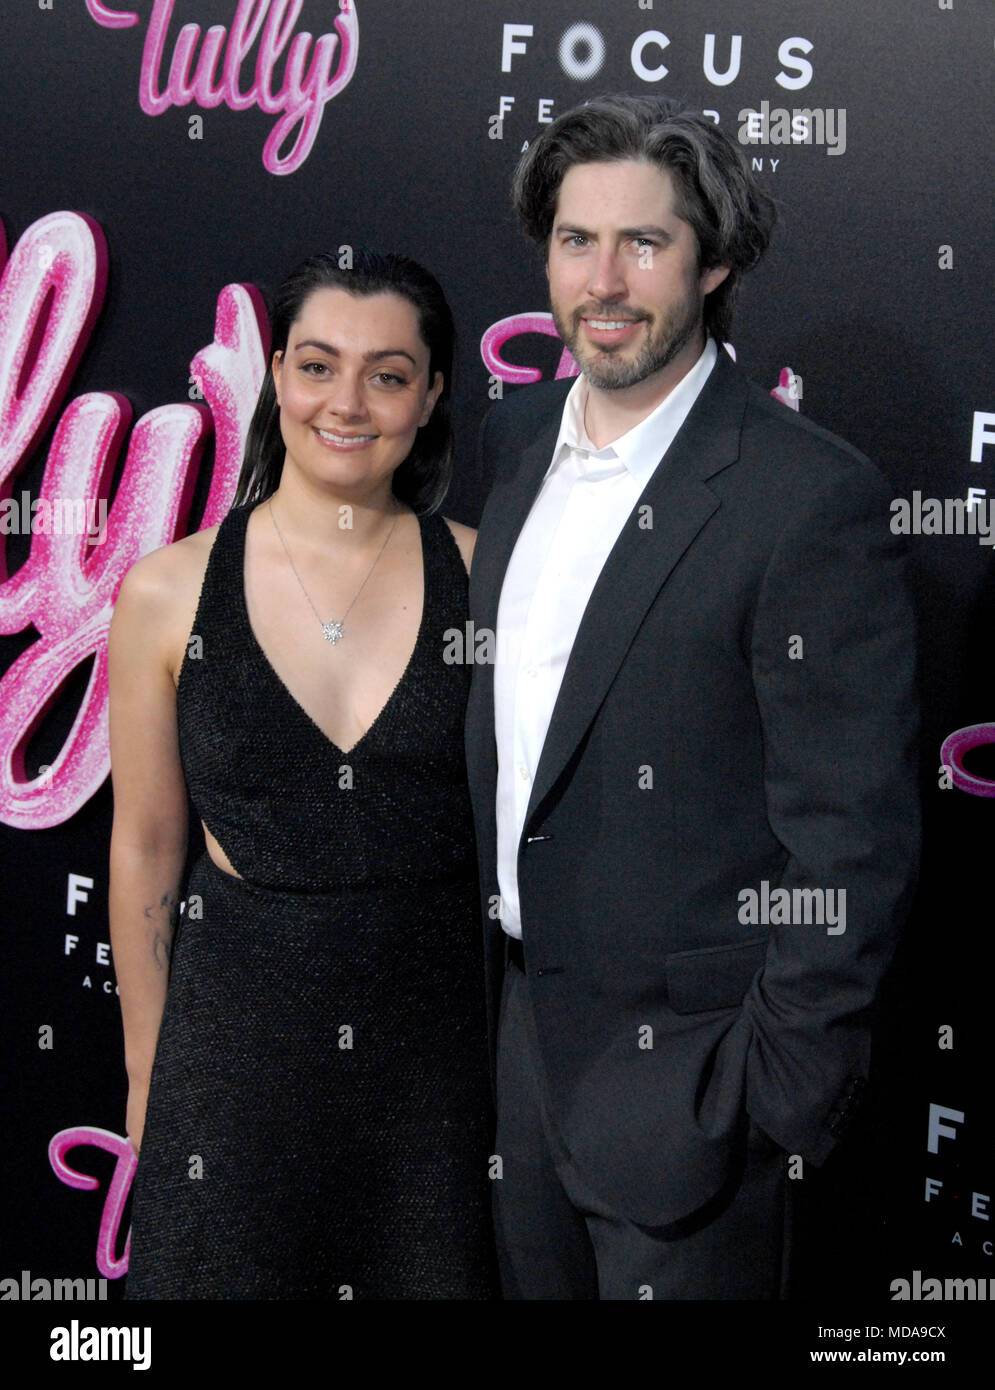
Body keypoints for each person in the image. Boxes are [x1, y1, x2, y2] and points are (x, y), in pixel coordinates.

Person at [464, 95, 920, 1299]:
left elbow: (851, 835)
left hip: (696, 1088)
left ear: (713, 261)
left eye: (644, 243)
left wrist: (769, 1093)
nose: (602, 280)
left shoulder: (802, 497)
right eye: (574, 241)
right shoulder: (512, 451)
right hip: (517, 1057)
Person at [109, 249, 497, 1299]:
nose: (348, 402)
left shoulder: (489, 578)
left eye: (388, 372)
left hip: (434, 1072)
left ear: (431, 394)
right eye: (318, 365)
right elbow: (146, 845)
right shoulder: (166, 590)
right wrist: (150, 1076)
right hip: (229, 1064)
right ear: (276, 376)